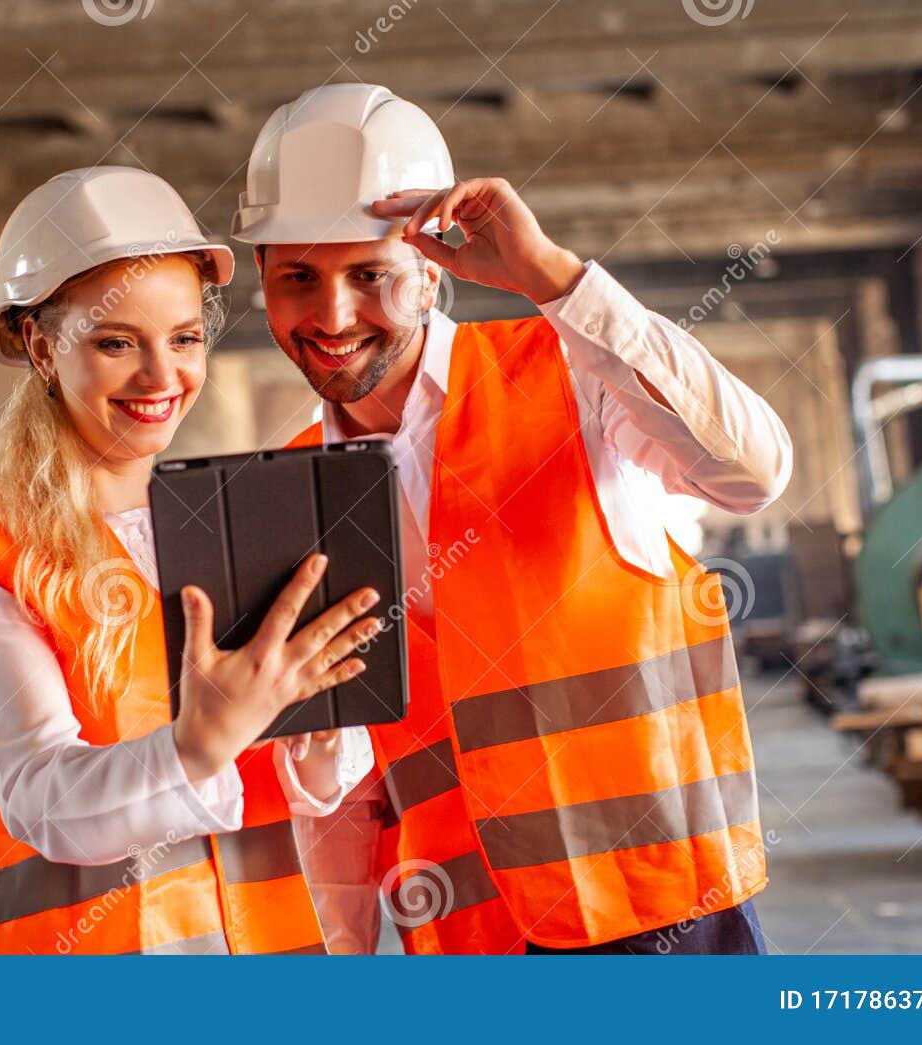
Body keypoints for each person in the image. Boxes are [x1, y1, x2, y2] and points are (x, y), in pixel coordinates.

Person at [232, 84, 794, 955]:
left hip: (661, 923)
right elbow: (340, 792)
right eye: (298, 277)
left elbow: (754, 471)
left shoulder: (573, 376)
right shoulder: (285, 495)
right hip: (468, 946)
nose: (333, 316)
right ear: (264, 284)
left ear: (430, 271)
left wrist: (558, 282)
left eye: (368, 274)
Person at [0, 165, 379, 955]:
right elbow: (41, 798)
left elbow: (298, 793)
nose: (161, 377)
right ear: (42, 347)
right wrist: (200, 744)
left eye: (184, 338)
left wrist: (320, 746)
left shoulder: (229, 519)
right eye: (116, 342)